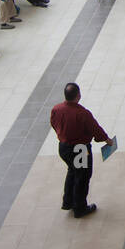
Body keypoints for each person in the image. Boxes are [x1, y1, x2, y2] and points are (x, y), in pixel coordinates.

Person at [50, 82, 112, 218]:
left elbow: (54, 124)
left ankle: (68, 201)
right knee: (82, 177)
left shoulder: (56, 109)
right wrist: (107, 139)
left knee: (72, 171)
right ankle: (80, 207)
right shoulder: (82, 113)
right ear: (78, 95)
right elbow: (95, 129)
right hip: (80, 150)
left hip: (63, 147)